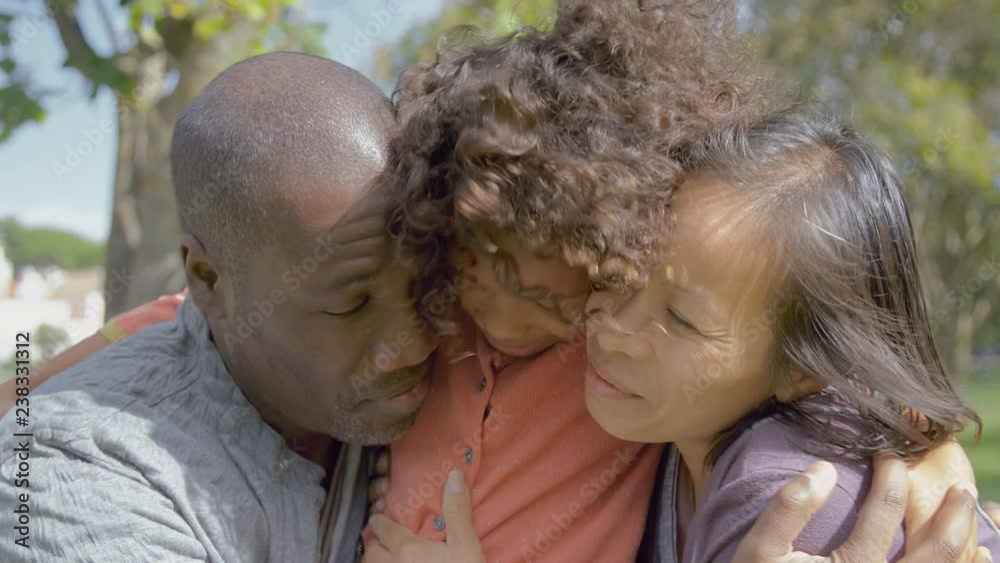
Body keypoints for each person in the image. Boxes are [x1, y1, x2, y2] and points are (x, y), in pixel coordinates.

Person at [0, 52, 435, 562]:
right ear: (208, 281)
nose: (414, 344)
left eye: (427, 282)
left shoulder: (489, 335)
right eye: (352, 304)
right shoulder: (75, 475)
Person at [582, 109, 1000, 562]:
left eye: (681, 319)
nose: (611, 328)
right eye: (620, 273)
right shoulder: (678, 421)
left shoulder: (796, 501)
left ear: (803, 370)